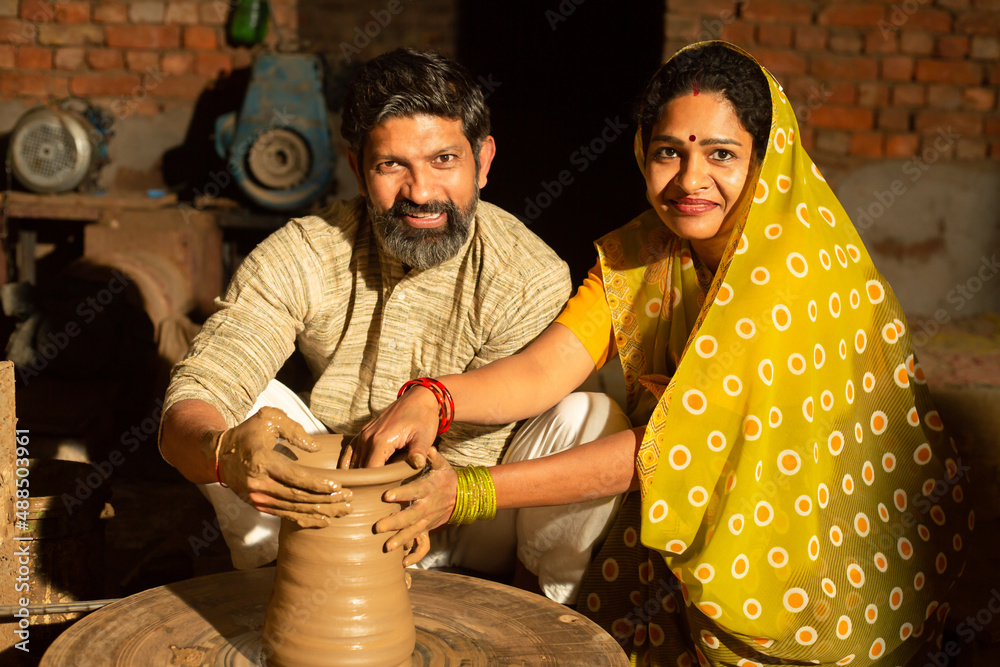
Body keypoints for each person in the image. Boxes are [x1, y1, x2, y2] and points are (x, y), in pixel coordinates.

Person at [353, 41, 970, 666]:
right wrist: (435, 397)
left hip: (825, 556)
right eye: (669, 152)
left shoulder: (791, 275)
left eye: (721, 155)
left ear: (766, 161)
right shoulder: (645, 250)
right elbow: (547, 367)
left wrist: (467, 493)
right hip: (703, 505)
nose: (690, 180)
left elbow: (673, 446)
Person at [158, 48, 628, 601]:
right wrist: (223, 455)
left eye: (444, 160)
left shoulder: (527, 274)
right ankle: (281, 595)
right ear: (358, 168)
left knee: (591, 416)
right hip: (321, 510)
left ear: (484, 160)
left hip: (473, 512)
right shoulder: (305, 252)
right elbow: (189, 404)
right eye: (392, 165)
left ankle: (539, 615)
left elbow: (470, 457)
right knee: (240, 410)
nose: (421, 191)